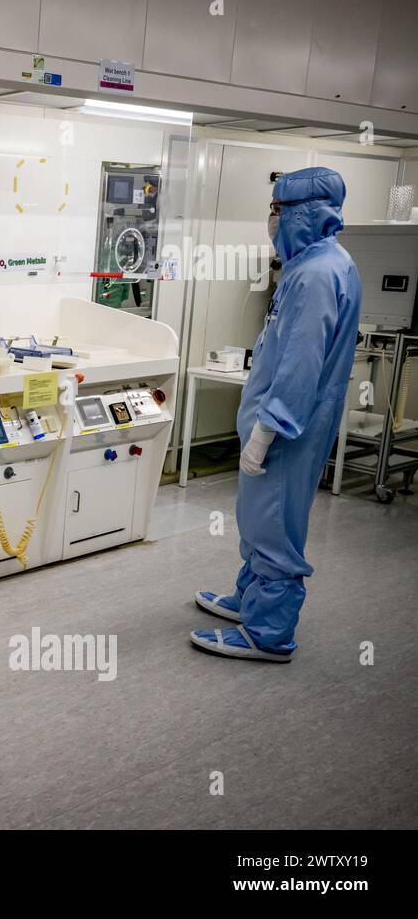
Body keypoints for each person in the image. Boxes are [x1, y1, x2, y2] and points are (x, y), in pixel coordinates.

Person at [192, 167, 360, 662]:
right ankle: (250, 600)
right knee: (257, 518)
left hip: (287, 430)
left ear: (304, 214)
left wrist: (269, 429)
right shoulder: (317, 263)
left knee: (274, 527)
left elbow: (301, 362)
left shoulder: (316, 274)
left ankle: (268, 634)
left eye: (277, 209)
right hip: (279, 423)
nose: (271, 219)